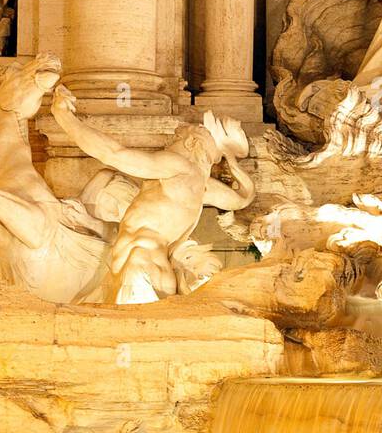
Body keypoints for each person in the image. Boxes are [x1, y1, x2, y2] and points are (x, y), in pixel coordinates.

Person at [50, 86, 254, 305]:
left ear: (191, 143)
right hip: (143, 270)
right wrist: (234, 165)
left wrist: (64, 118)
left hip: (141, 268)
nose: (170, 143)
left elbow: (113, 154)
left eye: (177, 138)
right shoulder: (202, 188)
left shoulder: (179, 166)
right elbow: (243, 198)